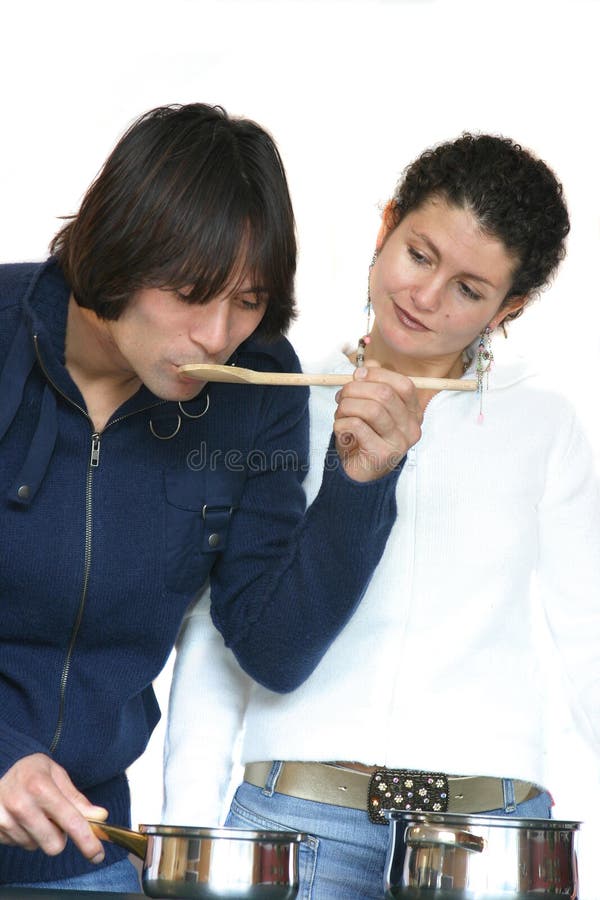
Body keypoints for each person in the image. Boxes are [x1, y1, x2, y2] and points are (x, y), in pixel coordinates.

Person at [163, 133, 600, 899]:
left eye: (469, 289)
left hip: (487, 838)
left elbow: (588, 630)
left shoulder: (544, 422)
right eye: (419, 255)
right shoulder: (281, 399)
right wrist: (187, 834)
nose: (425, 296)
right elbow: (219, 627)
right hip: (296, 824)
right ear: (387, 224)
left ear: (510, 307)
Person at [0, 102, 423, 892]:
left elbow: (273, 648)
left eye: (249, 301)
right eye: (193, 293)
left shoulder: (256, 385)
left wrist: (360, 486)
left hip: (80, 851)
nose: (218, 335)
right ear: (119, 247)